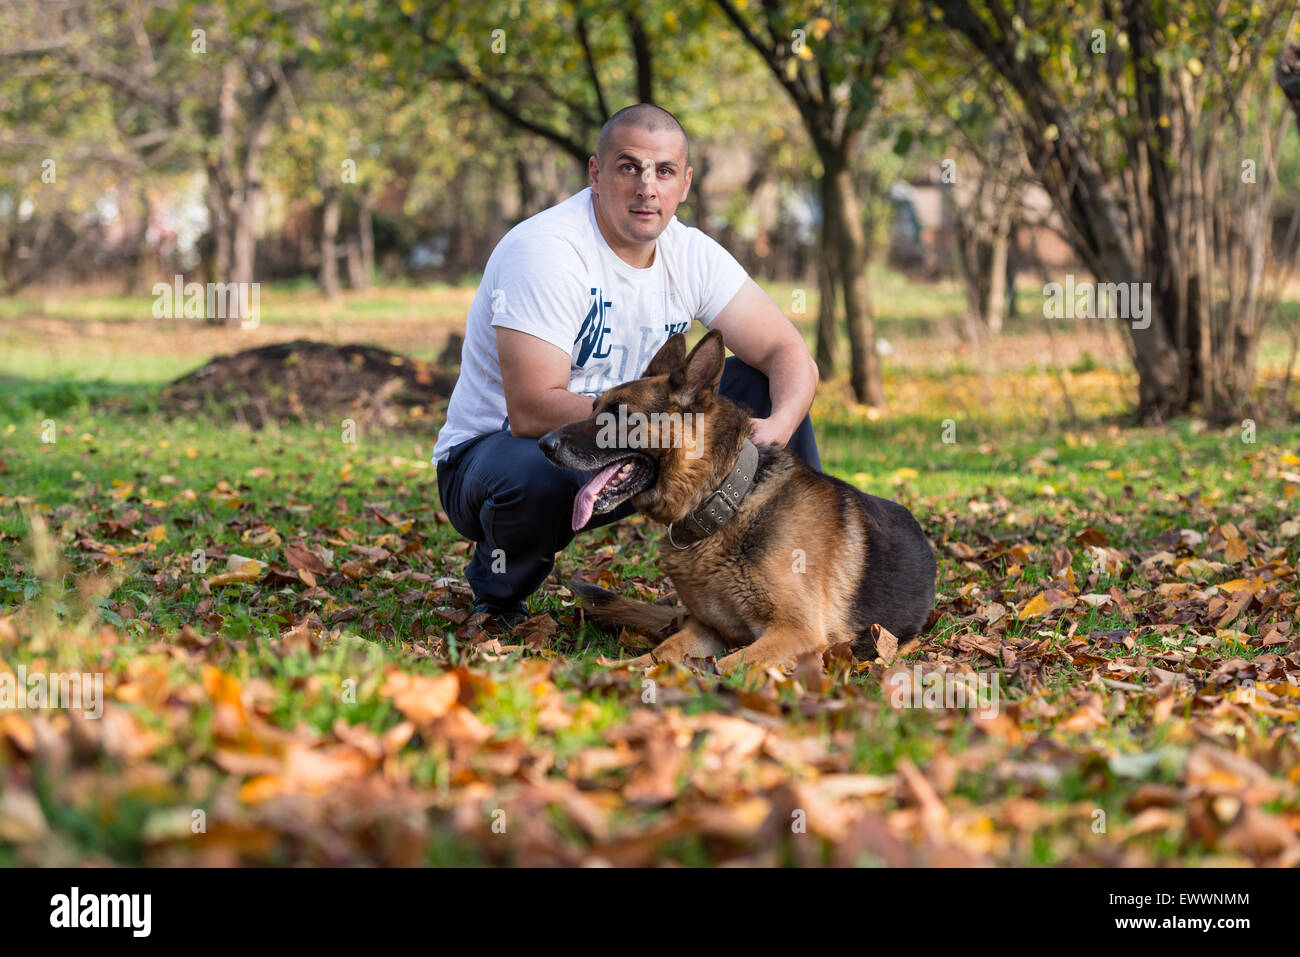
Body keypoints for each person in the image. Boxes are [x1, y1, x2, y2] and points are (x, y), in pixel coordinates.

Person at [433, 103, 821, 629]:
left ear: (684, 183)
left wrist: (778, 428)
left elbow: (788, 353)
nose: (646, 188)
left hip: (630, 447)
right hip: (495, 456)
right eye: (627, 167)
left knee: (757, 388)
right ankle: (499, 595)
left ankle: (796, 581)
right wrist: (660, 431)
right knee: (533, 474)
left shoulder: (691, 254)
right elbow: (528, 410)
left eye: (663, 171)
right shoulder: (546, 252)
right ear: (596, 173)